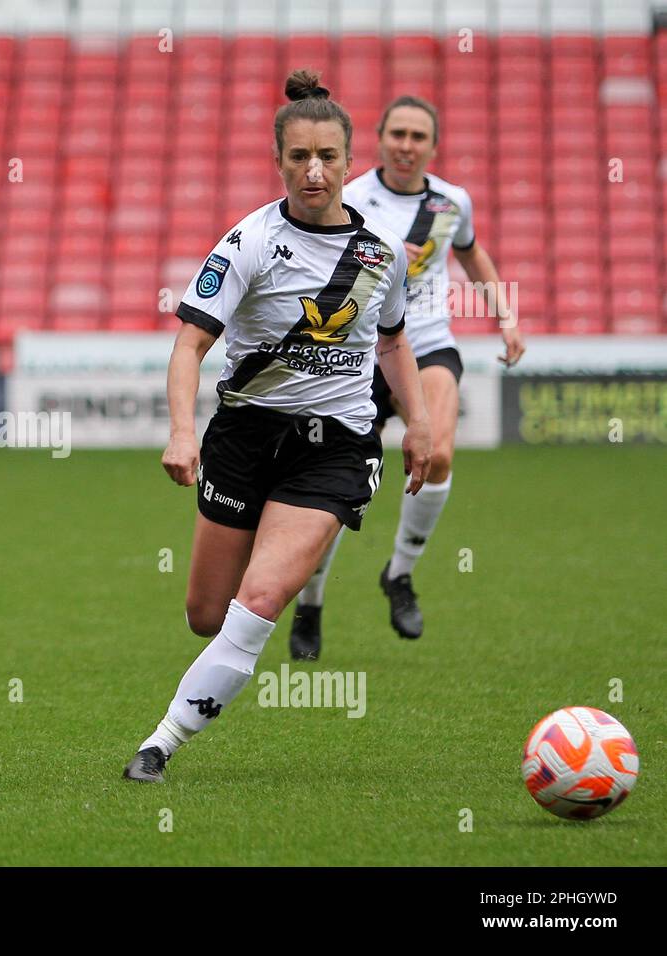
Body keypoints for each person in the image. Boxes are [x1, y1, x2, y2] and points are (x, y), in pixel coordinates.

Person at [122, 69, 431, 783]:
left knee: (258, 602)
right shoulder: (247, 243)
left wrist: (416, 423)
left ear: (353, 163)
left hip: (337, 447)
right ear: (280, 161)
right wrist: (179, 431)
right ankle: (287, 573)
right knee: (207, 614)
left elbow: (391, 341)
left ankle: (160, 744)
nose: (315, 171)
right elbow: (190, 345)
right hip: (244, 438)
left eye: (328, 157)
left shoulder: (381, 253)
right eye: (300, 158)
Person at [286, 94, 525, 661]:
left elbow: (471, 255)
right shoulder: (354, 195)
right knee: (331, 488)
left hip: (428, 342)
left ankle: (399, 573)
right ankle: (311, 601)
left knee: (437, 454)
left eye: (419, 136)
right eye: (398, 134)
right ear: (380, 139)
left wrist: (505, 315)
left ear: (432, 146)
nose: (407, 145)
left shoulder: (451, 203)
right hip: (355, 350)